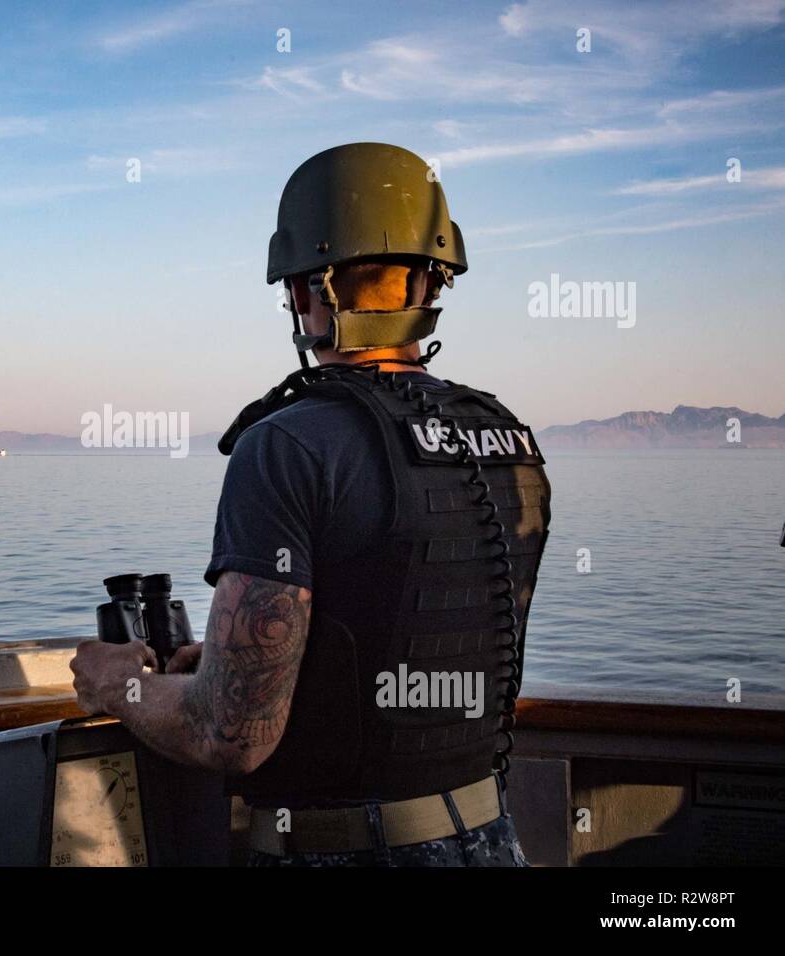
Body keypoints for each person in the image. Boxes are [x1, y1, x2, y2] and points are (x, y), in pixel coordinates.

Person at [71, 143, 552, 866]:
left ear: (302, 292)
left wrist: (121, 685)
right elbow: (408, 638)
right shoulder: (509, 440)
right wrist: (262, 660)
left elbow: (231, 733)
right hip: (492, 842)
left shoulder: (289, 445)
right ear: (433, 281)